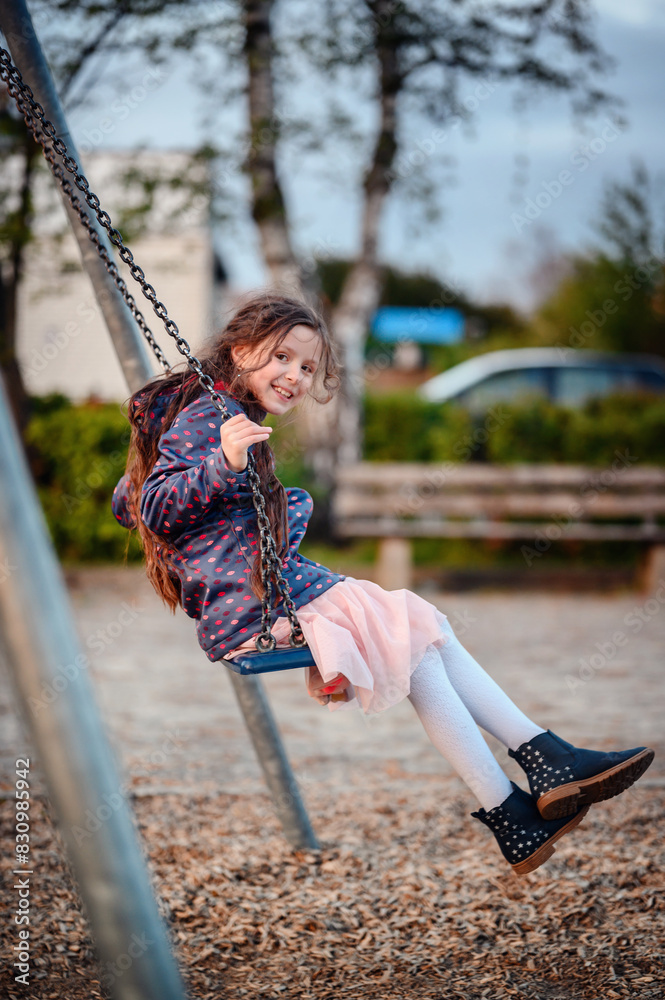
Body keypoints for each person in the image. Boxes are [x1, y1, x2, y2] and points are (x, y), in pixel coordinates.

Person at [112, 291, 654, 875]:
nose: (295, 375)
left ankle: (524, 792)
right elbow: (150, 507)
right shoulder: (212, 417)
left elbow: (134, 498)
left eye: (308, 367)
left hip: (269, 591)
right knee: (416, 628)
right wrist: (223, 462)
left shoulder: (228, 414)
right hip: (256, 602)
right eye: (282, 358)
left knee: (425, 631)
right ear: (241, 351)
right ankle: (536, 773)